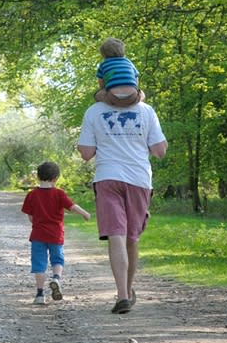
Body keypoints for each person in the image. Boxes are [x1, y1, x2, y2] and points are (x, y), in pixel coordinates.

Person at [77, 96, 167, 313]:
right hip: (139, 180)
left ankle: (123, 295)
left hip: (108, 178)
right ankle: (126, 290)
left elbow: (86, 153)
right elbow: (160, 151)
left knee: (116, 235)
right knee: (131, 238)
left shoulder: (94, 111)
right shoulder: (147, 111)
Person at [21, 161, 92, 305]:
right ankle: (56, 279)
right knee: (57, 260)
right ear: (56, 178)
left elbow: (30, 217)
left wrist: (38, 223)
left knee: (39, 264)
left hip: (38, 236)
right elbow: (72, 207)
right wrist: (85, 214)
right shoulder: (59, 194)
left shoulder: (32, 195)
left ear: (38, 177)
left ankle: (40, 295)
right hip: (56, 235)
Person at [94, 37, 146, 107]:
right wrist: (135, 89)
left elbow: (101, 82)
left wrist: (104, 90)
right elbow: (136, 77)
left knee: (97, 95)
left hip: (113, 98)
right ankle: (137, 103)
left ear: (103, 54)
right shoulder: (128, 62)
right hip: (132, 97)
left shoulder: (104, 64)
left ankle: (111, 105)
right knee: (142, 93)